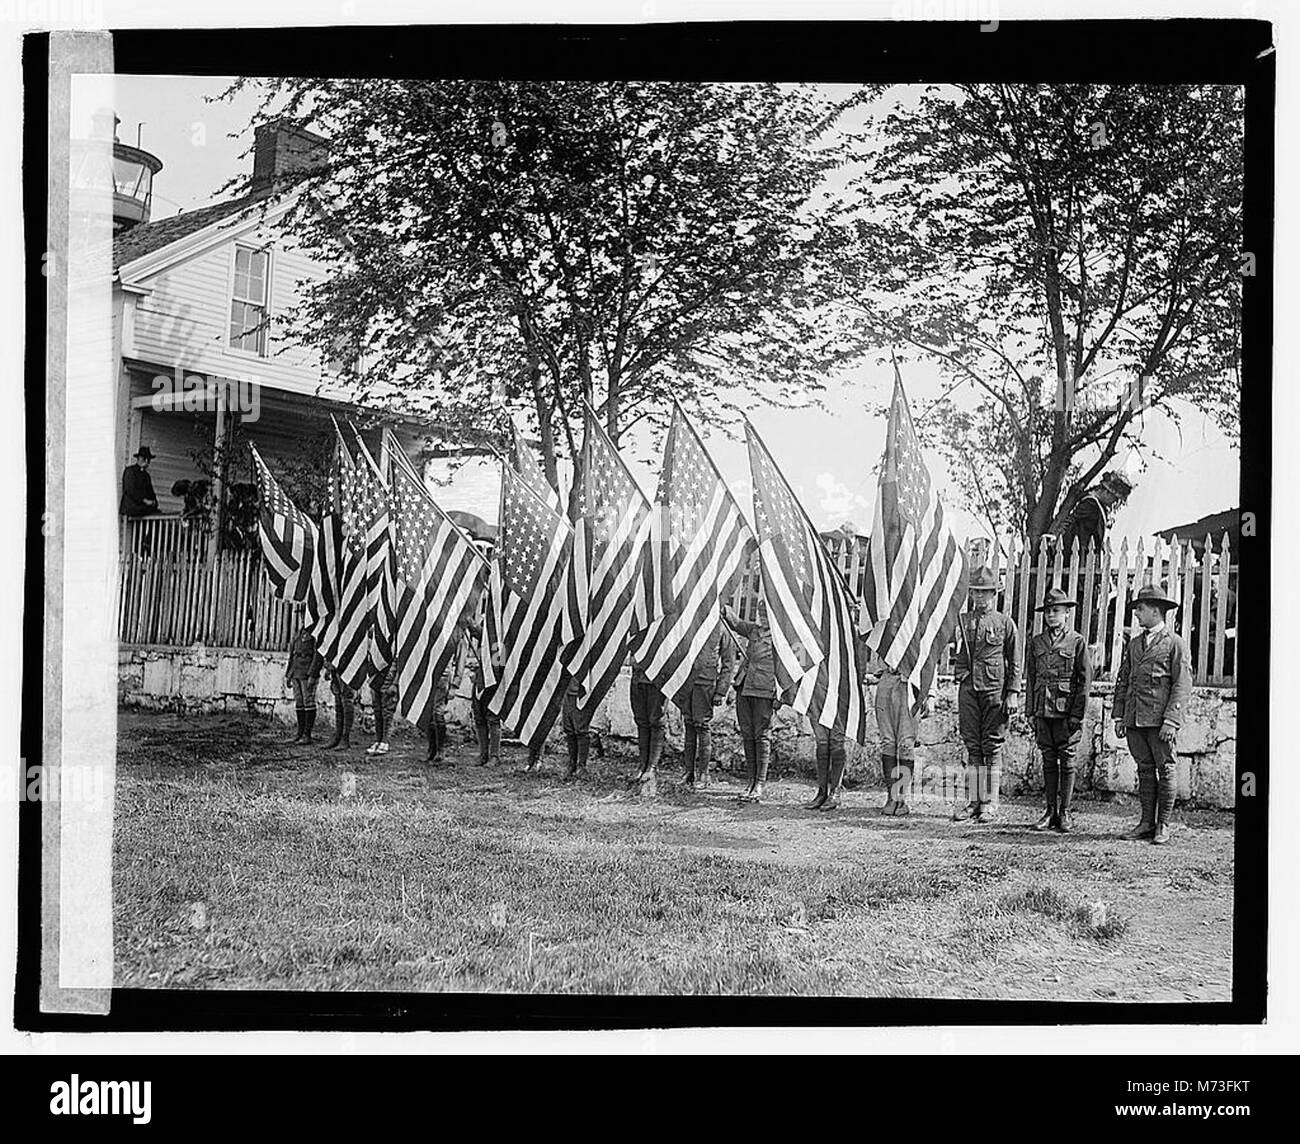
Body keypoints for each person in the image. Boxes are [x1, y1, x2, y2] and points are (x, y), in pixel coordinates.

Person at [1112, 582, 1193, 845]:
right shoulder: (1134, 644)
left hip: (1160, 721)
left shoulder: (1175, 644)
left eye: (1141, 609)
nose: (1136, 614)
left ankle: (1163, 825)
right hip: (1135, 718)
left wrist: (1172, 720)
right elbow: (1124, 680)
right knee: (1145, 770)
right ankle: (1146, 822)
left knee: (1166, 769)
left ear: (1156, 612)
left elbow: (1182, 684)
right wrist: (1119, 715)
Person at [952, 566, 1021, 823]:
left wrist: (1012, 693)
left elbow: (1014, 661)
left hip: (994, 690)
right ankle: (973, 801)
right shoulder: (963, 621)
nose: (980, 598)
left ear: (994, 594)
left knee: (992, 746)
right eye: (976, 593)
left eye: (985, 593)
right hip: (969, 690)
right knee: (973, 745)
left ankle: (990, 803)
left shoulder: (1005, 623)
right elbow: (951, 648)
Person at [1026, 587, 1093, 833]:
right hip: (1043, 711)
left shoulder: (1076, 641)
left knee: (1067, 761)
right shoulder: (1037, 642)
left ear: (1067, 613)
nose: (1052, 615)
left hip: (1066, 712)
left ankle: (1064, 812)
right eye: (1048, 611)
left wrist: (1077, 714)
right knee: (1048, 760)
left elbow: (1084, 681)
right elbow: (1031, 678)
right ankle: (1049, 811)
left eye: (1057, 611)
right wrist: (1030, 712)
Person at [722, 598, 777, 804]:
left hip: (765, 689)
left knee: (761, 735)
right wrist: (721, 602)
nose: (762, 616)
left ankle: (760, 784)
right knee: (747, 734)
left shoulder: (783, 636)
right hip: (744, 687)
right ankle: (750, 781)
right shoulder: (754, 631)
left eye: (766, 613)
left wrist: (781, 694)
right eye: (760, 612)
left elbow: (794, 666)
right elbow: (735, 623)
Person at [863, 649, 927, 817]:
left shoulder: (916, 623)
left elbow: (929, 654)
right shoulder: (884, 625)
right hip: (886, 681)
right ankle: (892, 796)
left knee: (906, 743)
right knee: (888, 742)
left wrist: (931, 693)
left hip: (909, 684)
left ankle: (901, 798)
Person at [675, 620, 736, 791]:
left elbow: (728, 663)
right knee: (689, 724)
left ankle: (704, 774)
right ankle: (688, 773)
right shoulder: (692, 619)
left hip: (706, 683)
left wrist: (721, 691)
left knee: (702, 726)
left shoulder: (722, 628)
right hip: (687, 681)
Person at [1053, 471, 1134, 561]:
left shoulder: (1099, 506)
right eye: (1114, 498)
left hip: (1090, 554)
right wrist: (1056, 536)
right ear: (1106, 492)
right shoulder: (1090, 503)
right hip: (1080, 553)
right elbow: (1071, 520)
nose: (1113, 503)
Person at [629, 662, 666, 791]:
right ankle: (643, 764)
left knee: (656, 721)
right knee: (641, 721)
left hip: (656, 679)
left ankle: (652, 767)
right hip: (638, 678)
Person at [284, 626, 324, 745]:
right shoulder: (297, 634)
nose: (303, 620)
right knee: (299, 701)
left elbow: (318, 654)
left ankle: (307, 735)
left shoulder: (316, 633)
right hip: (296, 670)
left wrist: (313, 673)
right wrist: (289, 674)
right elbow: (292, 654)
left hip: (307, 671)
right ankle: (299, 733)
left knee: (308, 701)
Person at [468, 634, 502, 768]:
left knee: (493, 719)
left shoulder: (498, 639)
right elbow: (479, 632)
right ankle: (483, 754)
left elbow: (499, 665)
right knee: (479, 719)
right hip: (479, 681)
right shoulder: (486, 631)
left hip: (492, 682)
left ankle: (495, 756)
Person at [561, 678, 594, 780]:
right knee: (569, 728)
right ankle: (572, 765)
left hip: (581, 692)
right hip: (566, 690)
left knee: (581, 728)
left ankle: (581, 766)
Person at [323, 662, 355, 751]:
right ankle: (338, 736)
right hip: (335, 668)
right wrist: (329, 668)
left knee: (346, 700)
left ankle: (345, 738)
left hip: (348, 666)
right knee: (338, 702)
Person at [119, 445, 160, 517]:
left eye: (148, 459)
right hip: (132, 507)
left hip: (142, 508)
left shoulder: (146, 476)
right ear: (138, 458)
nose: (146, 461)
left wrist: (153, 502)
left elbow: (151, 493)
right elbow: (130, 490)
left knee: (157, 513)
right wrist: (144, 501)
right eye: (144, 459)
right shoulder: (130, 471)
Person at [366, 667, 393, 756]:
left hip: (389, 673)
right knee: (377, 709)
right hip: (375, 673)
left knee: (387, 710)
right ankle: (378, 739)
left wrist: (395, 683)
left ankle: (385, 741)